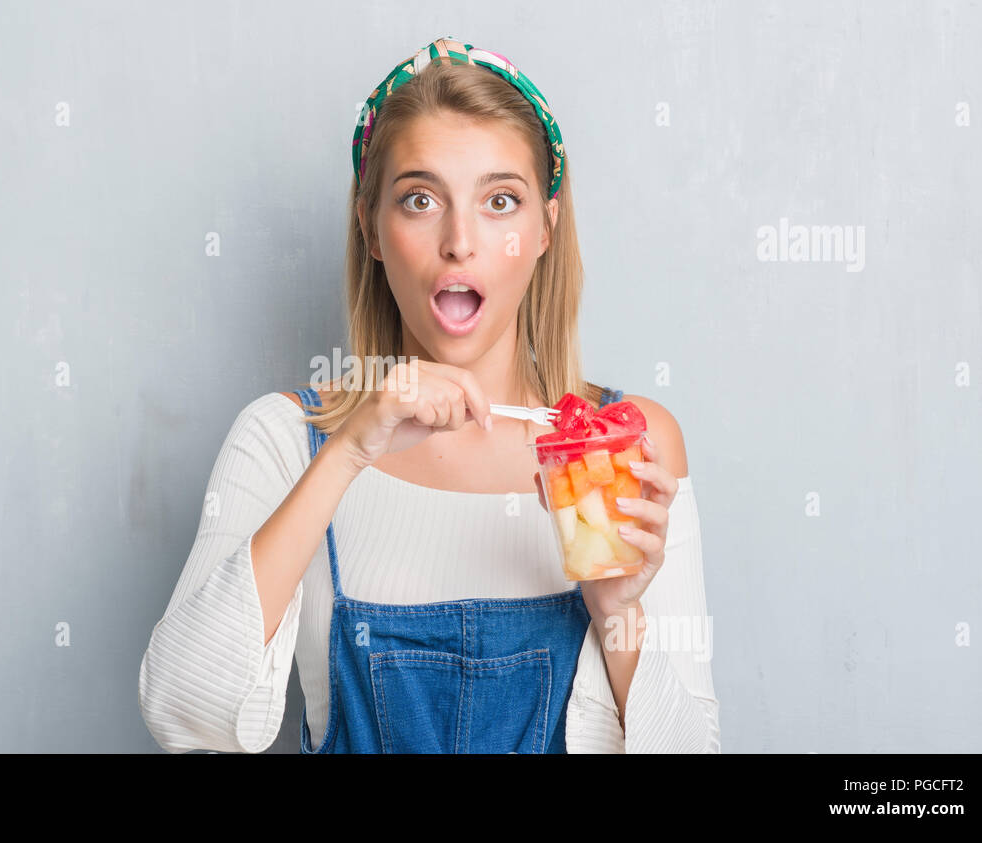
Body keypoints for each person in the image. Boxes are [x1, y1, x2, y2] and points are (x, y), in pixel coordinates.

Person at [140, 37, 718, 753]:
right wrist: (347, 453)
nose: (460, 241)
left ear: (545, 228)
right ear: (372, 228)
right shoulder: (285, 439)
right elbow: (181, 711)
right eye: (420, 199)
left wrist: (617, 613)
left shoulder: (626, 446)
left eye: (500, 200)